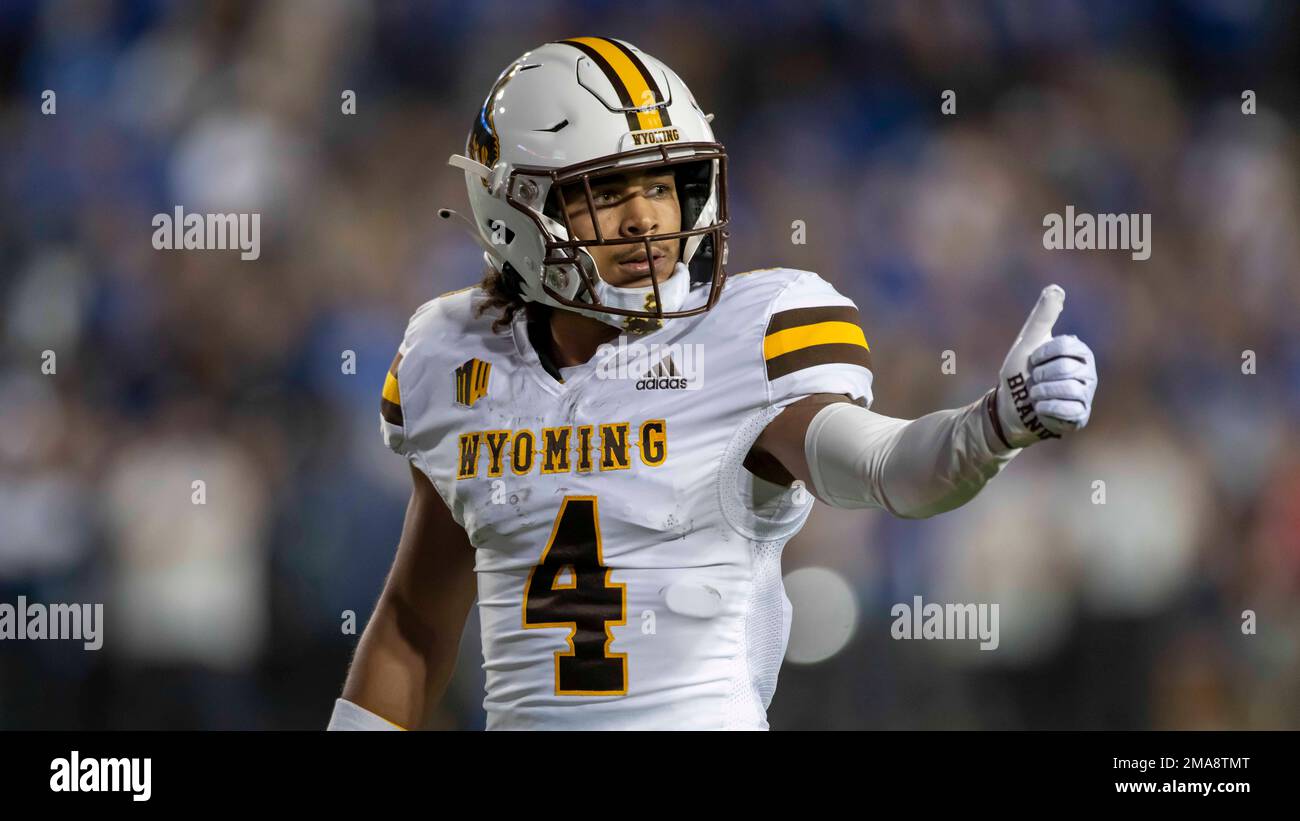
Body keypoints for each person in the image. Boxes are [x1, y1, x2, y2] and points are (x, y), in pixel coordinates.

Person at [327, 37, 1098, 731]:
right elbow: (415, 628)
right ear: (515, 209)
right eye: (606, 191)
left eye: (664, 184)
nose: (645, 218)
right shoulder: (451, 357)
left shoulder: (749, 333)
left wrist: (991, 427)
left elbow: (886, 466)